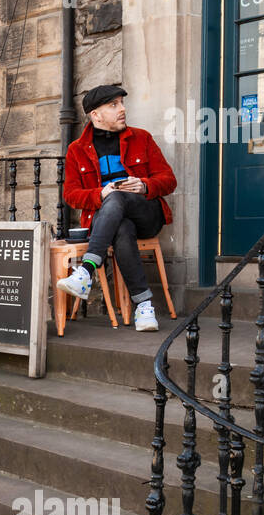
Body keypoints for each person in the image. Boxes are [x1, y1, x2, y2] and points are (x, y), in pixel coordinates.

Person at [57, 84, 177, 332]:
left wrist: (143, 185)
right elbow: (71, 195)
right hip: (112, 220)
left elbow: (168, 180)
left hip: (146, 213)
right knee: (120, 224)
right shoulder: (77, 150)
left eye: (122, 103)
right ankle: (144, 306)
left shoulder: (141, 138)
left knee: (119, 197)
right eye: (114, 105)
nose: (122, 109)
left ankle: (86, 271)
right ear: (95, 115)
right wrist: (100, 193)